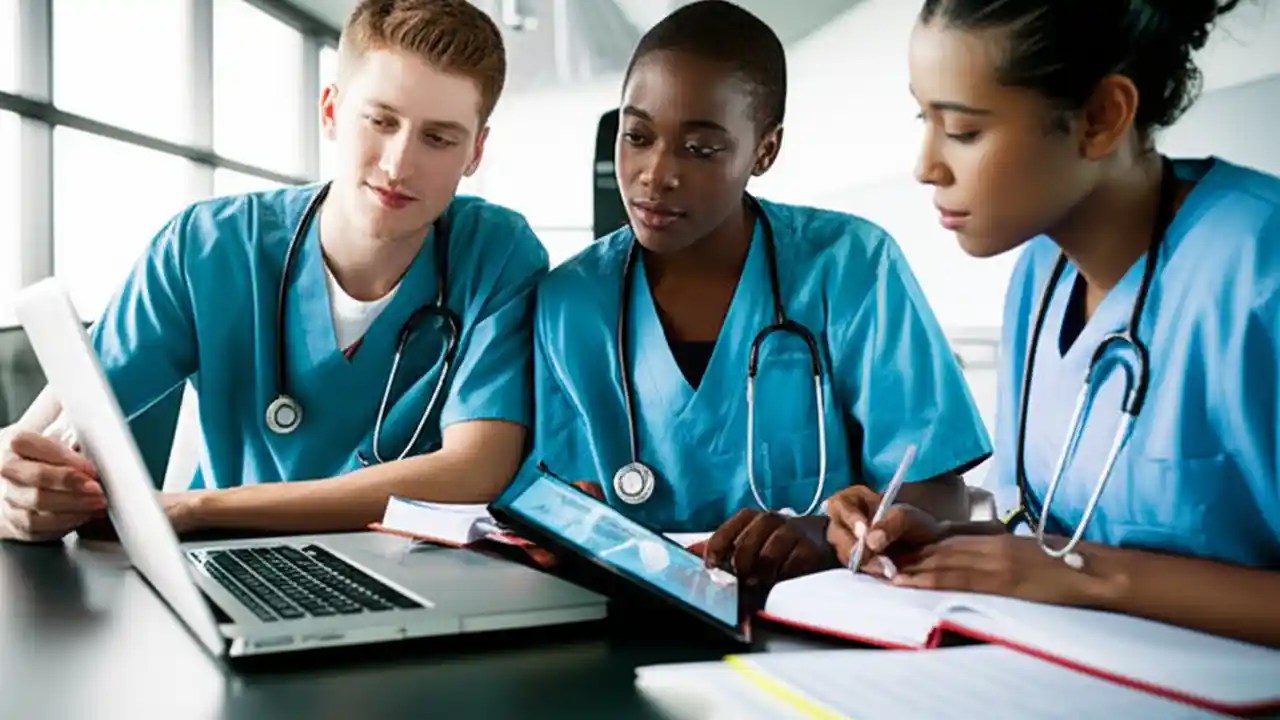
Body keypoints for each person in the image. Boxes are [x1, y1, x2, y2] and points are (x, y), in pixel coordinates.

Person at [0, 0, 547, 543]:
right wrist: (19, 487)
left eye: (438, 138)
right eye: (381, 121)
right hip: (225, 562)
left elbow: (477, 468)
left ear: (475, 151)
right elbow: (44, 430)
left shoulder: (496, 253)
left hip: (408, 578)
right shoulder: (207, 249)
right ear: (331, 111)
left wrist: (198, 507)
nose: (398, 164)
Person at [827, 0, 1280, 648]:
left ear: (1099, 119)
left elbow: (1073, 563)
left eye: (961, 130)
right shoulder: (1042, 275)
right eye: (924, 119)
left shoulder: (1260, 270)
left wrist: (1092, 576)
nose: (926, 165)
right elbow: (1047, 534)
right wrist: (945, 541)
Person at [526, 0, 992, 589]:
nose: (656, 173)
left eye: (700, 149)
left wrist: (830, 535)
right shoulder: (571, 302)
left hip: (820, 613)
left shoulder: (851, 266)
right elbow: (556, 502)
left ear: (764, 150)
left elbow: (936, 491)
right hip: (627, 610)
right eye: (637, 136)